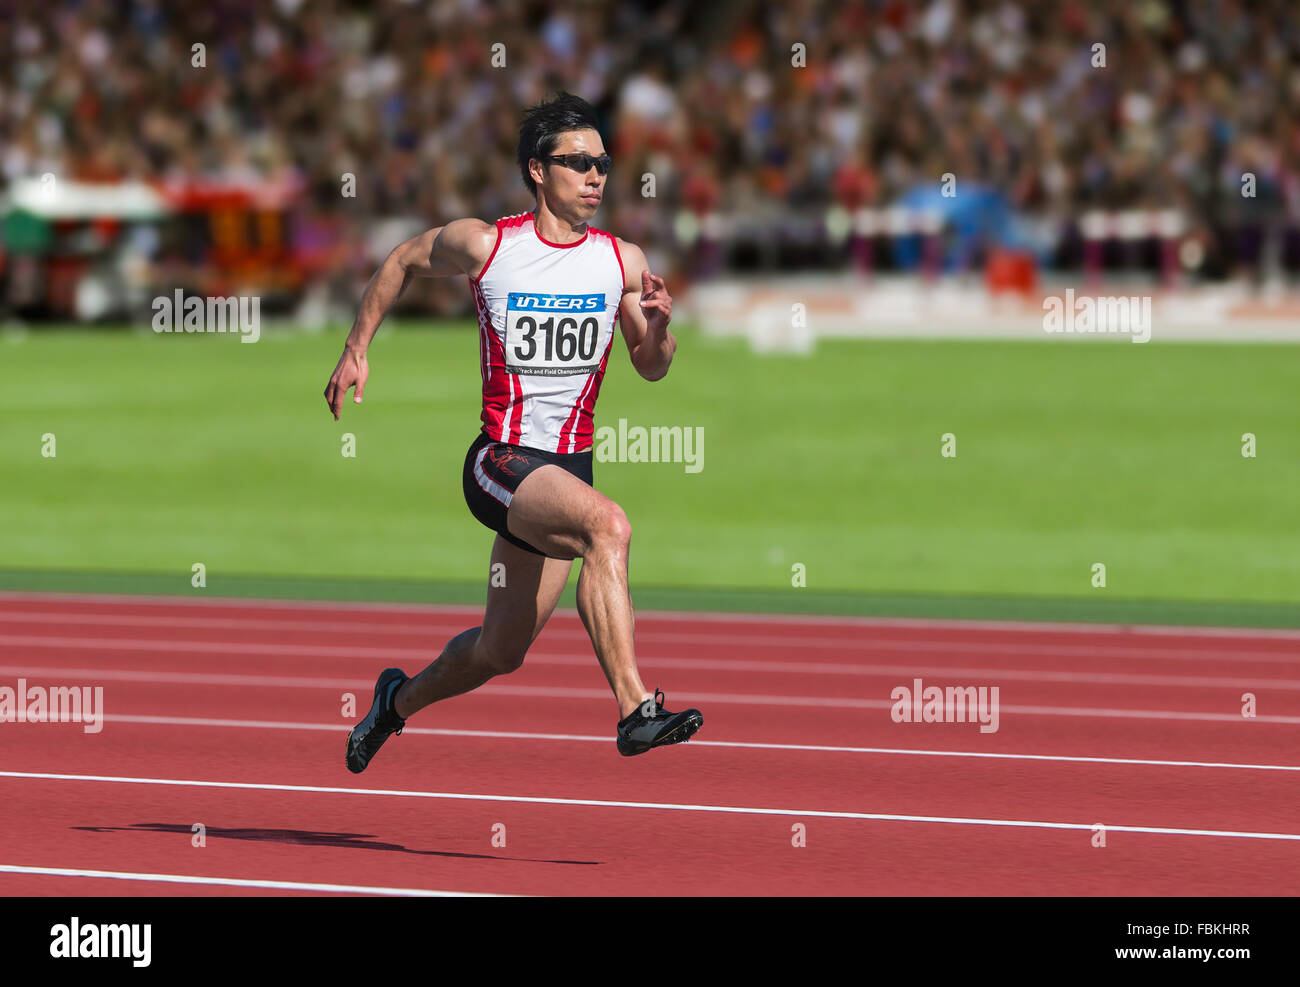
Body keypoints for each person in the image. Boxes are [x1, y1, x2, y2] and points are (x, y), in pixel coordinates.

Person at [324, 92, 703, 772]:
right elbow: (404, 260)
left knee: (500, 652)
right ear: (537, 168)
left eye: (603, 163)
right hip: (499, 461)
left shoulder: (620, 260)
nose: (595, 177)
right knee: (608, 527)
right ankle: (635, 709)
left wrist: (662, 325)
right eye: (578, 162)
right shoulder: (489, 245)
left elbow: (651, 366)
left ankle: (393, 703)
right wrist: (357, 346)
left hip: (565, 473)